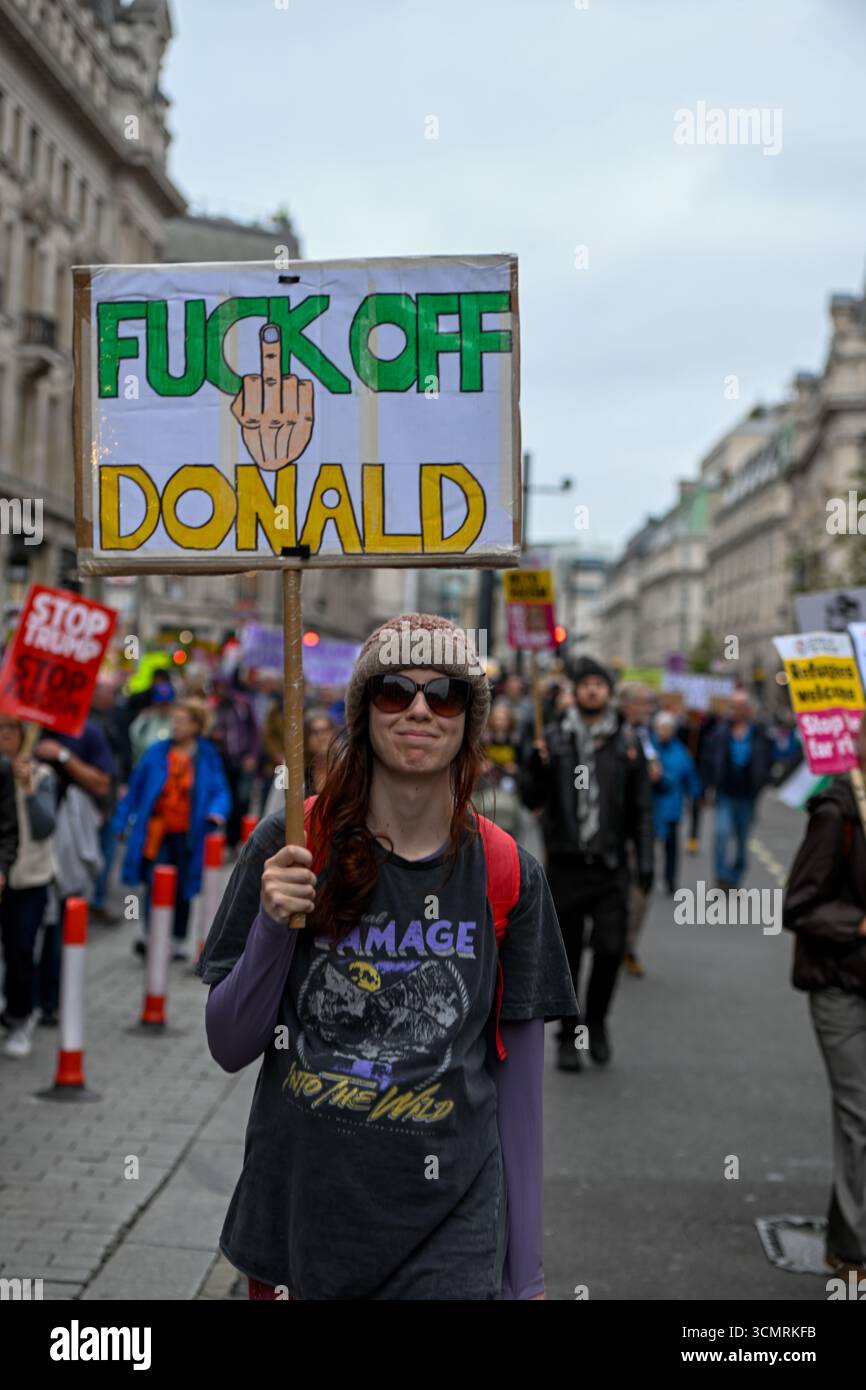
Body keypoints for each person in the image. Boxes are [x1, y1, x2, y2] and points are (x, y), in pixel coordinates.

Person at [197, 612, 576, 1301]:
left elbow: (519, 1089)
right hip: (302, 1219)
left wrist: (529, 1278)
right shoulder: (289, 844)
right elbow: (228, 1042)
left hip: (451, 1225)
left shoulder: (507, 871)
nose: (420, 711)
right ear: (364, 711)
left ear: (469, 718)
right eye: (395, 691)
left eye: (446, 694)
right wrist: (275, 928)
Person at [522, 655, 654, 1070]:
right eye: (586, 684)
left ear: (609, 692)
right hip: (566, 863)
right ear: (575, 691)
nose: (592, 690)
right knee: (569, 955)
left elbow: (642, 808)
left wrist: (646, 858)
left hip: (611, 864)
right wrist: (534, 765)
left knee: (612, 948)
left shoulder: (628, 743)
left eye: (600, 684)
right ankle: (567, 1034)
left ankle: (596, 1022)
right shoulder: (556, 739)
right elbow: (532, 799)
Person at [783, 728, 866, 1280]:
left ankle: (844, 1235)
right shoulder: (839, 810)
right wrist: (857, 922)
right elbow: (798, 904)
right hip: (841, 984)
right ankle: (858, 1256)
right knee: (862, 1116)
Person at [114, 698, 231, 960]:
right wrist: (122, 822)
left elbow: (220, 790)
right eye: (174, 720)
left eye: (182, 721)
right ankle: (150, 933)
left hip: (190, 834)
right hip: (157, 831)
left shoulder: (207, 755)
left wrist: (217, 812)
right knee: (155, 882)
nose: (175, 726)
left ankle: (179, 939)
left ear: (196, 726)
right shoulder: (156, 752)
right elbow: (135, 790)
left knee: (185, 886)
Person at [34, 720, 114, 1024]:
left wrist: (63, 757)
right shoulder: (25, 727)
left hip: (67, 847)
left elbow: (102, 783)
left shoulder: (88, 731)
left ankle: (50, 1001)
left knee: (59, 926)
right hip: (24, 848)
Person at [0, 719, 53, 1057]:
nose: (5, 737)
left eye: (10, 731)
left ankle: (21, 1017)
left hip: (29, 877)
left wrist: (29, 788)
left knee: (21, 951)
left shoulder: (41, 775)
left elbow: (46, 826)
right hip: (5, 874)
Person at [701, 690, 775, 889]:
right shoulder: (720, 732)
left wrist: (764, 780)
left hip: (748, 795)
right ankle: (721, 877)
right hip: (724, 793)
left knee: (742, 840)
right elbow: (708, 759)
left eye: (741, 706)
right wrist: (705, 789)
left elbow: (771, 757)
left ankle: (735, 875)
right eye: (733, 706)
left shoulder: (760, 733)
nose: (736, 710)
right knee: (721, 834)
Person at [618, 681, 662, 978]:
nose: (649, 708)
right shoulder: (616, 736)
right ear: (628, 705)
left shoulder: (646, 735)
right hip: (617, 828)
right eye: (644, 702)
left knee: (640, 889)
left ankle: (626, 944)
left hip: (642, 824)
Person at [649, 711, 702, 895]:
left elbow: (689, 776)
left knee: (671, 846)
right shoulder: (648, 748)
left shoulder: (681, 752)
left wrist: (696, 793)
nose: (661, 732)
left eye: (665, 729)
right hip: (651, 806)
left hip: (671, 806)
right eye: (659, 728)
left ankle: (670, 879)